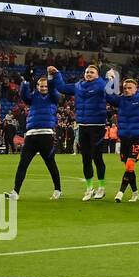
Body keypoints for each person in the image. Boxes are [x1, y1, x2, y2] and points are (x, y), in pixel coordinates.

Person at [51, 64, 112, 200]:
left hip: (97, 125)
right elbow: (62, 87)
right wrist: (56, 74)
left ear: (98, 74)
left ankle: (101, 187)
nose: (88, 74)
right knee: (85, 159)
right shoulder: (78, 86)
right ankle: (89, 189)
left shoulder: (102, 85)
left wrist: (113, 80)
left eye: (92, 72)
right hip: (82, 125)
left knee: (97, 157)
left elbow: (112, 94)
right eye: (86, 72)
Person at [4, 70, 64, 200]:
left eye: (45, 86)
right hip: (31, 136)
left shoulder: (53, 97)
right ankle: (15, 192)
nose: (43, 88)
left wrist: (50, 78)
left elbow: (54, 91)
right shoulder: (33, 97)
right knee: (23, 164)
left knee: (50, 164)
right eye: (40, 86)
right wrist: (25, 83)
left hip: (46, 136)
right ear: (37, 86)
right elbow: (24, 95)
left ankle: (58, 189)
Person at [104, 70, 139, 203]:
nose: (126, 90)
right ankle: (135, 193)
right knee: (129, 167)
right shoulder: (121, 100)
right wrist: (110, 81)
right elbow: (107, 95)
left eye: (129, 88)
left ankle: (120, 193)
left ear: (136, 88)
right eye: (124, 88)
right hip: (124, 138)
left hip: (136, 137)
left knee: (129, 165)